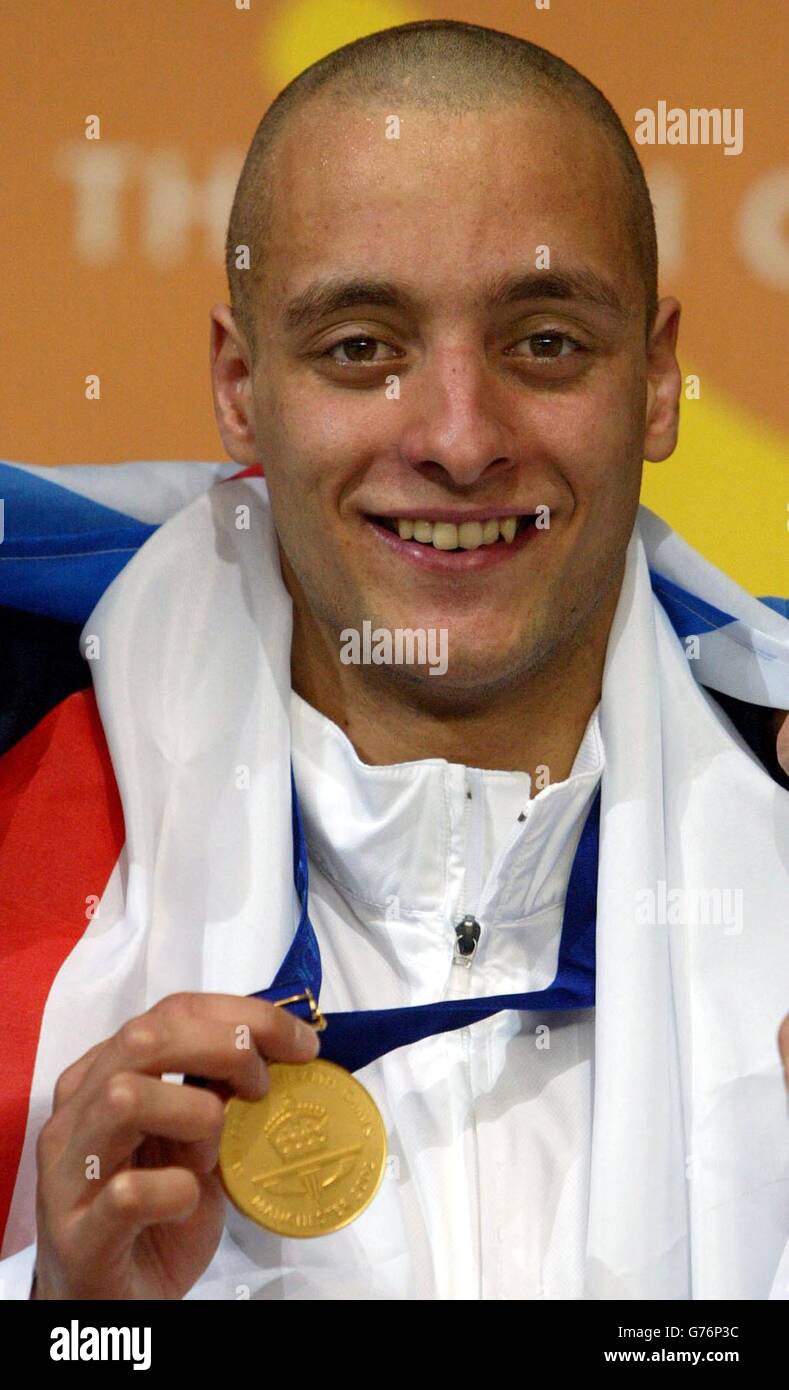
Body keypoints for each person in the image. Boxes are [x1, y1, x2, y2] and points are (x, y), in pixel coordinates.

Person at [1, 18, 788, 1301]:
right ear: (242, 386)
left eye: (544, 340)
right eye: (362, 346)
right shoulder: (20, 852)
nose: (461, 439)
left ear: (655, 381)